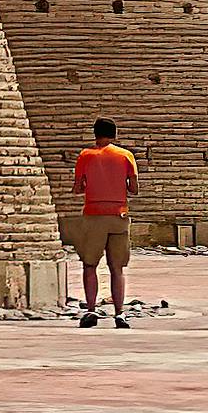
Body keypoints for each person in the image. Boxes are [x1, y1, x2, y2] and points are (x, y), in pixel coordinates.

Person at [72, 118, 137, 328]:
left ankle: (91, 310)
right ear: (115, 134)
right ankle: (119, 313)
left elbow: (78, 187)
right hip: (119, 215)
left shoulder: (86, 155)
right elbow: (134, 188)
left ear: (95, 134)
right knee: (116, 268)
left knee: (90, 265)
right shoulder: (126, 156)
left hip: (94, 215)